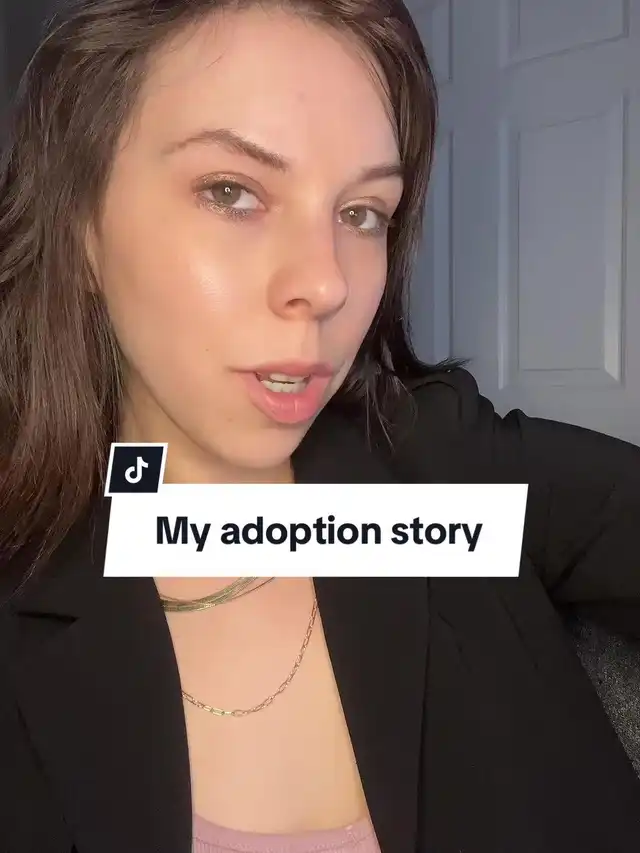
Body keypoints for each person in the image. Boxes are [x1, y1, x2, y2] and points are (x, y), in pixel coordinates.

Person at [1, 0, 640, 851]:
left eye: (362, 212)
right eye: (231, 192)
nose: (328, 282)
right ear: (80, 224)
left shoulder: (438, 467)